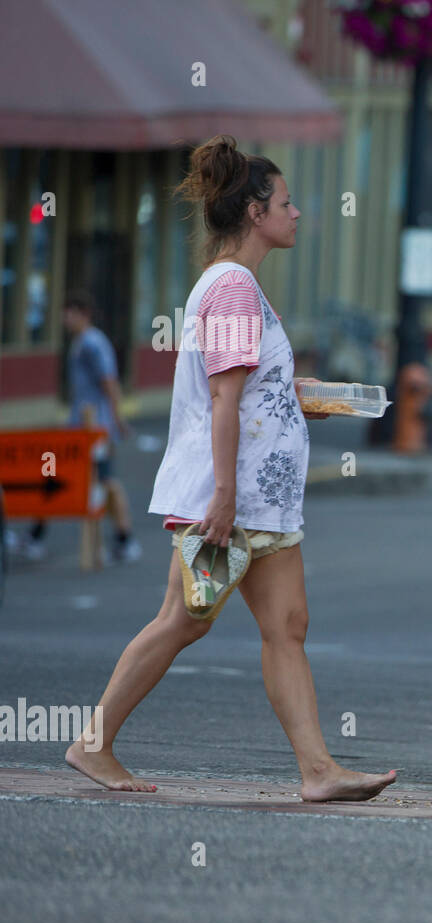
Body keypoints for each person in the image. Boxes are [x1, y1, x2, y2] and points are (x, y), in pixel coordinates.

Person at [64, 135, 397, 802]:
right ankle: (92, 745)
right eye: (286, 202)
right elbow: (221, 399)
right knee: (184, 619)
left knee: (287, 626)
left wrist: (304, 400)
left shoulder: (236, 287)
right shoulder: (233, 289)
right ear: (254, 212)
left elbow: (245, 392)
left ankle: (318, 771)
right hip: (231, 503)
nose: (296, 213)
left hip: (261, 503)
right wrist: (221, 497)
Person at [20, 292, 140, 563]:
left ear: (83, 313)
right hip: (79, 427)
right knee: (54, 474)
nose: (65, 319)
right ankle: (36, 534)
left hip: (94, 428)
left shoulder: (93, 344)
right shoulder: (81, 343)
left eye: (69, 312)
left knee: (103, 481)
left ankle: (125, 538)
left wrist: (116, 421)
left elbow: (109, 382)